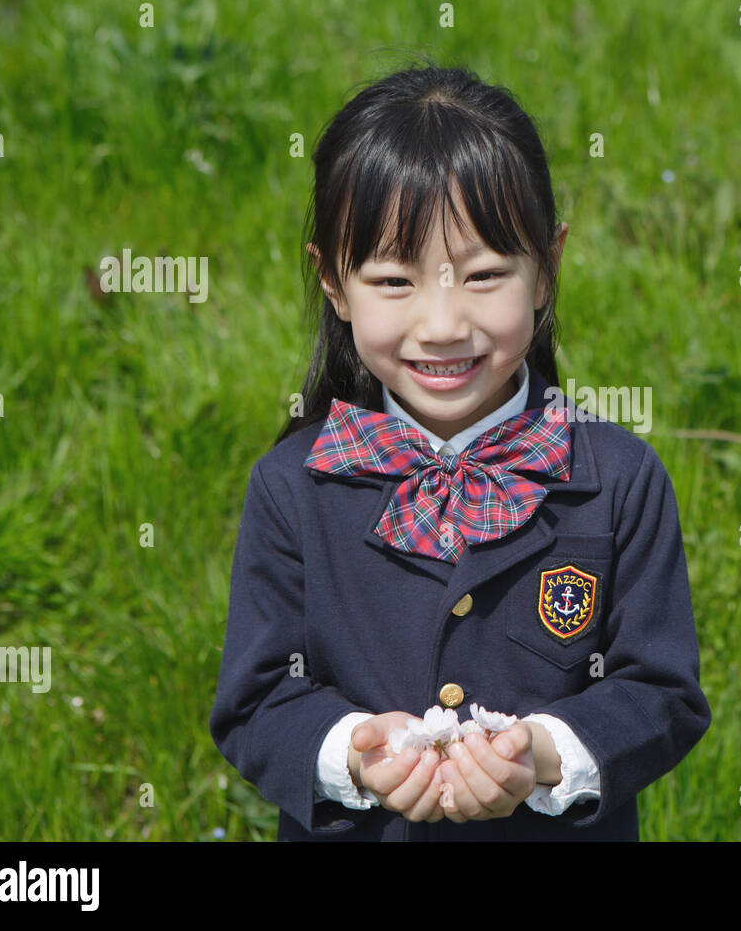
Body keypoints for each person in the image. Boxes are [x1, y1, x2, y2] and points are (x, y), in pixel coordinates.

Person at [208, 60, 710, 840]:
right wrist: (356, 755)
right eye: (393, 282)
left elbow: (661, 692)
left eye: (482, 275)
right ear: (335, 286)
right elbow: (254, 699)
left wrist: (543, 755)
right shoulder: (290, 487)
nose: (442, 324)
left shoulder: (619, 479)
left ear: (547, 268)